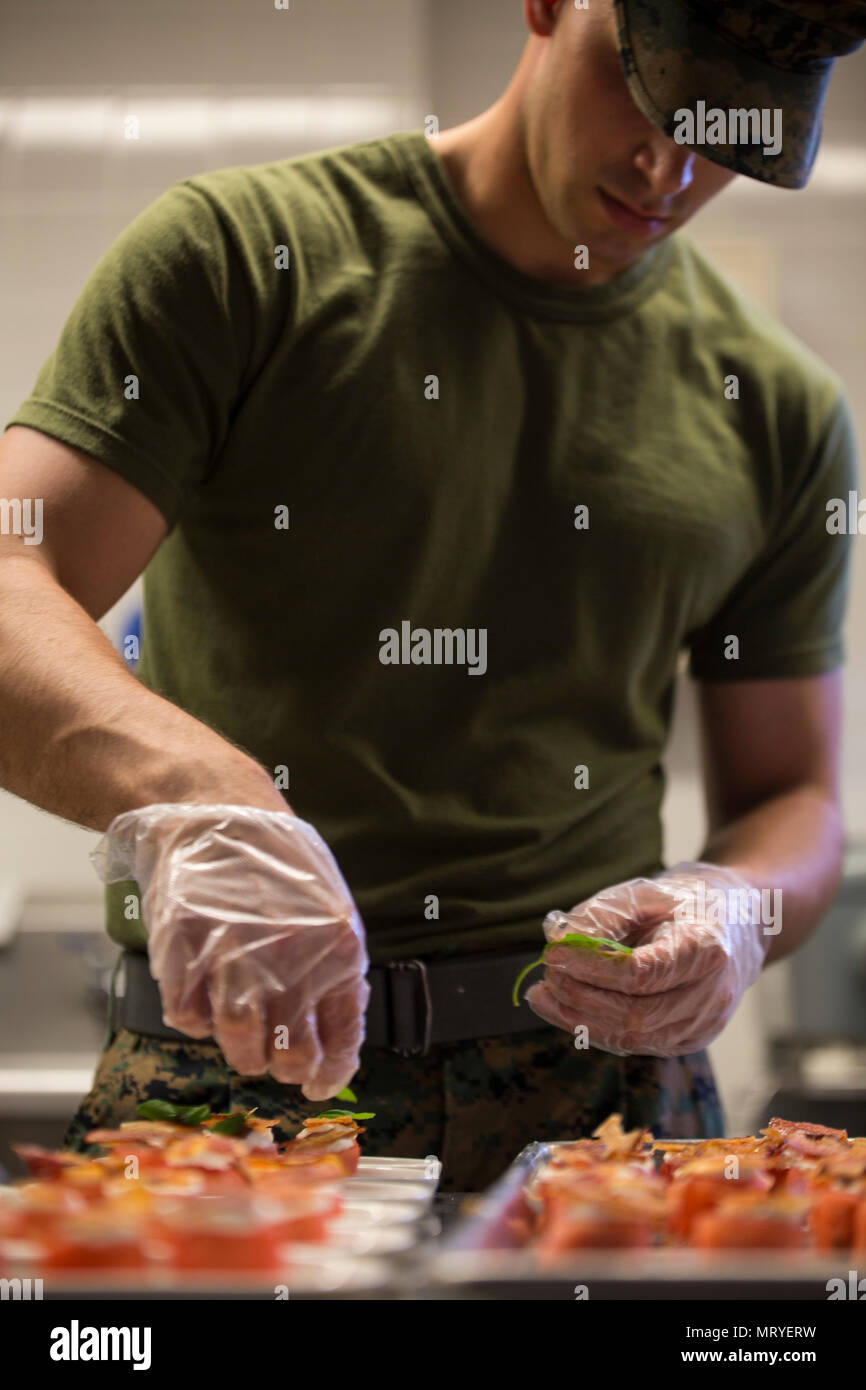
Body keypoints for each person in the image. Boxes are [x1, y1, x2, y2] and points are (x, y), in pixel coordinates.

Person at [0, 0, 863, 1191]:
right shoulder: (242, 256)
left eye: (734, 137)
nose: (671, 166)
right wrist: (206, 801)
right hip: (237, 1091)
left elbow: (794, 796)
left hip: (601, 1112)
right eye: (652, 94)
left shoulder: (774, 405)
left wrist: (736, 903)